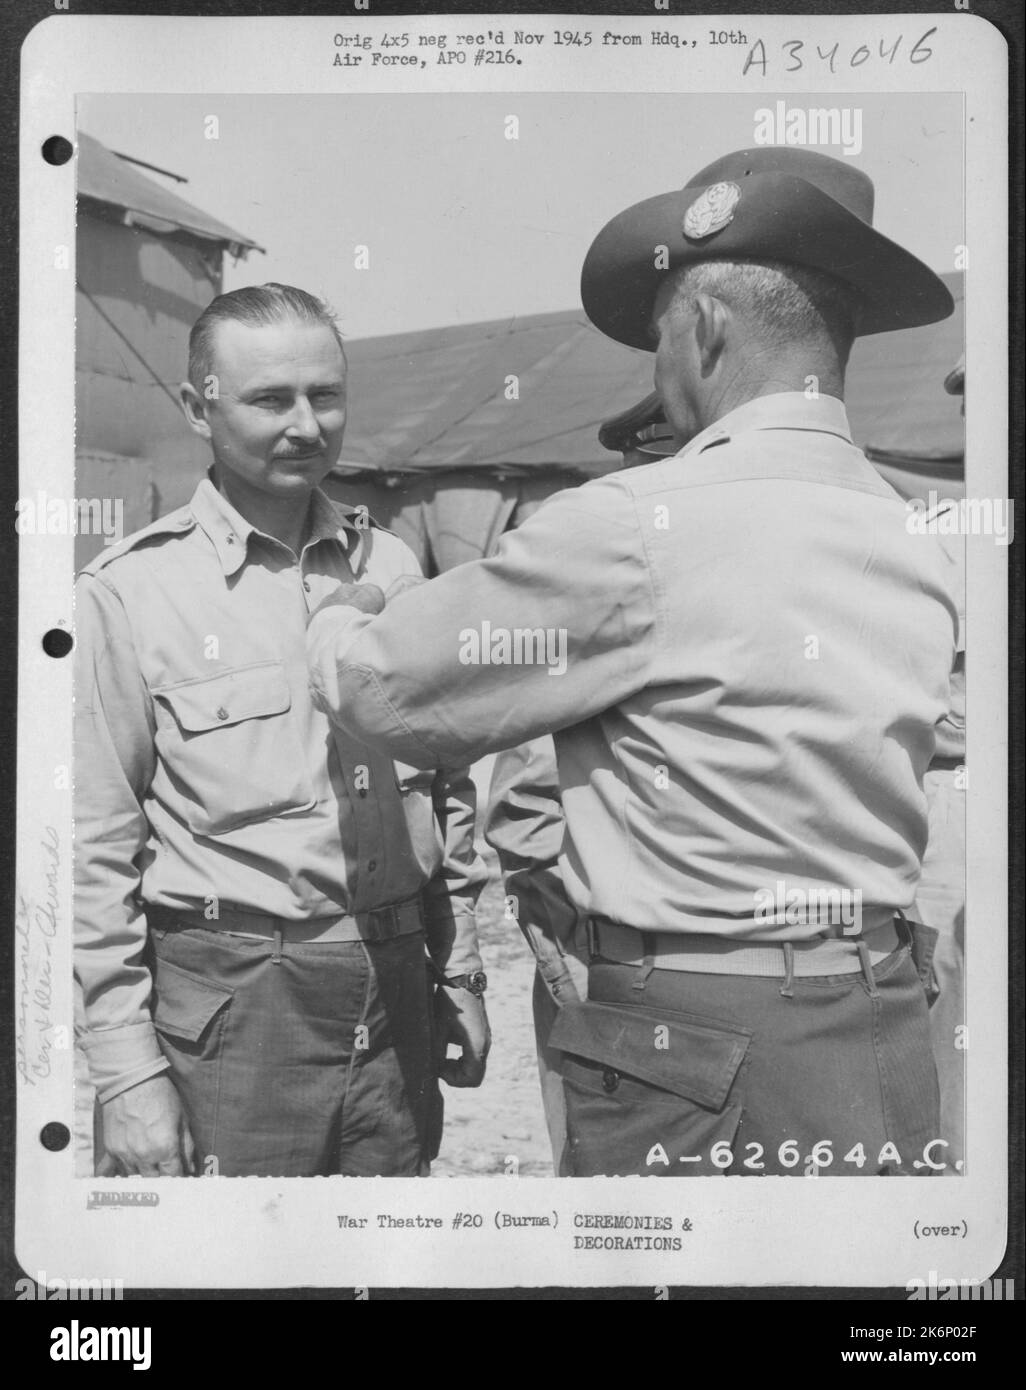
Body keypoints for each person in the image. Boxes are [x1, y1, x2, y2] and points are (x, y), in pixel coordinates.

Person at [306, 148, 960, 1176]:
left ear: (702, 330)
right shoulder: (914, 527)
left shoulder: (636, 526)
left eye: (659, 337)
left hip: (698, 1043)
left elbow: (378, 687)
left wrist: (350, 601)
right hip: (878, 1012)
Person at [74, 283, 489, 1179]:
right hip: (233, 1001)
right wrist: (124, 1075)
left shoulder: (395, 567)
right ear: (198, 407)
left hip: (395, 985)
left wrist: (457, 973)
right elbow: (92, 847)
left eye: (325, 395)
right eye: (270, 399)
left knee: (378, 1264)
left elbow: (444, 784)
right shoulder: (131, 592)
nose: (306, 425)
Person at [484, 393, 680, 1174]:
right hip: (609, 953)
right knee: (606, 1174)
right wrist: (573, 940)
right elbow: (526, 797)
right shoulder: (586, 575)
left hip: (730, 965)